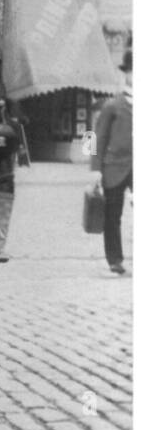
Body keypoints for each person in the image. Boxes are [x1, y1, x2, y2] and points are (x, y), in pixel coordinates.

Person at [91, 49, 132, 274]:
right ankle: (114, 259)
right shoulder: (112, 105)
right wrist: (95, 169)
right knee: (112, 215)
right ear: (127, 73)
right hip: (114, 167)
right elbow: (96, 138)